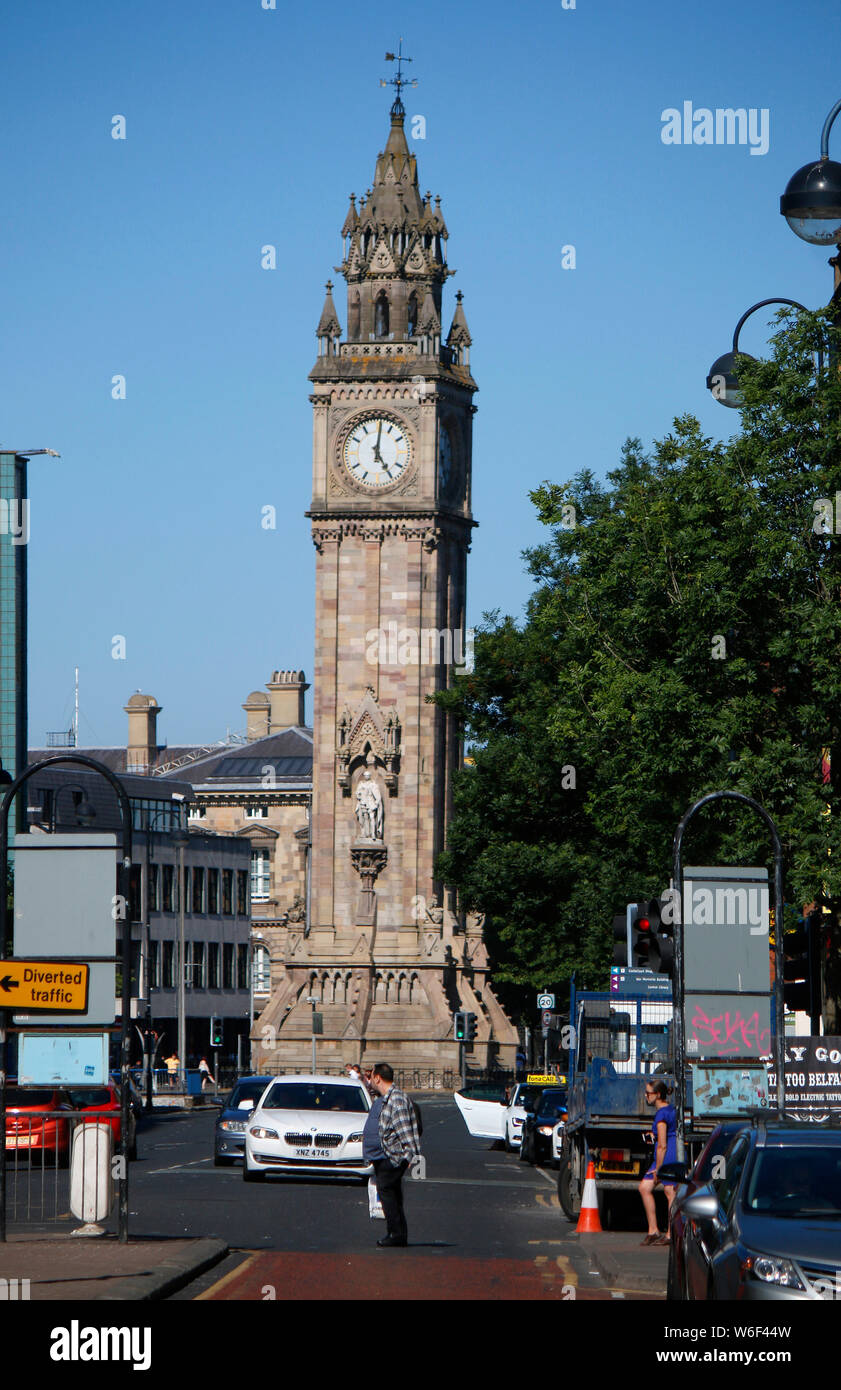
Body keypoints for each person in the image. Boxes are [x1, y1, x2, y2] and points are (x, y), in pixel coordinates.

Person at [364, 1062, 421, 1247]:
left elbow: (405, 1129)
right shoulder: (387, 1097)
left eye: (371, 1076)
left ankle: (396, 1234)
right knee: (392, 1193)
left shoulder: (396, 1099)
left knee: (387, 1191)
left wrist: (410, 1155)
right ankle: (398, 1233)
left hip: (393, 1155)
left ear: (378, 1078)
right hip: (387, 1155)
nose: (370, 1080)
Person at [638, 1079, 678, 1245]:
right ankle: (654, 1230)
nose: (646, 1096)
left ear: (658, 1095)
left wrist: (659, 1170)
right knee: (644, 1187)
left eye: (649, 1093)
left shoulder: (661, 1115)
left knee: (670, 1192)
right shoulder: (670, 1109)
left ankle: (670, 1233)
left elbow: (661, 1145)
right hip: (668, 1154)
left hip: (667, 1156)